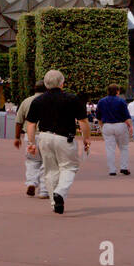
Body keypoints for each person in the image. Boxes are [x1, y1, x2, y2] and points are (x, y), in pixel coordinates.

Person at [25, 69, 90, 213]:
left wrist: (31, 143)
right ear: (62, 83)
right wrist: (86, 139)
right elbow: (83, 122)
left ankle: (55, 203)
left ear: (46, 84)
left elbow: (31, 124)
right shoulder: (72, 99)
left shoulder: (38, 100)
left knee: (50, 170)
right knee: (69, 167)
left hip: (44, 137)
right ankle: (60, 192)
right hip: (64, 138)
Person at [14, 79, 49, 197]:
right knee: (46, 163)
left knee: (31, 161)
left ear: (34, 89)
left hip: (30, 135)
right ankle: (44, 190)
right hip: (47, 135)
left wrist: (17, 137)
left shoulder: (26, 101)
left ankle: (31, 183)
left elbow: (19, 121)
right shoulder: (49, 101)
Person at [96, 84, 133, 176]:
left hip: (107, 125)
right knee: (124, 147)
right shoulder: (121, 101)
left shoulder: (101, 101)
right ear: (117, 91)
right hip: (120, 125)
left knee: (110, 148)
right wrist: (130, 126)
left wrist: (102, 126)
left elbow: (98, 117)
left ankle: (112, 170)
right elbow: (126, 116)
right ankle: (124, 167)